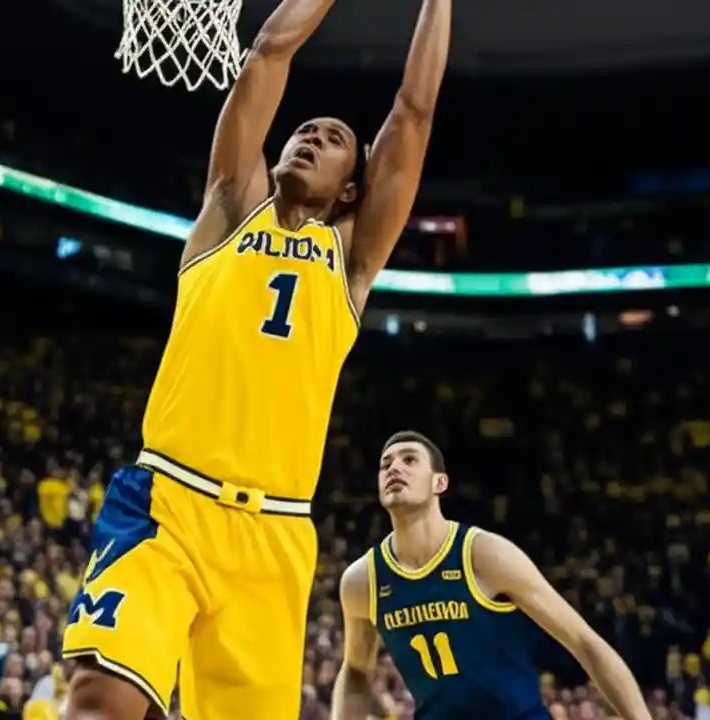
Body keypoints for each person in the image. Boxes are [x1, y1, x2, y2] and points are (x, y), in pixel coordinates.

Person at [59, 0, 453, 714]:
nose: (308, 138)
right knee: (98, 700)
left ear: (353, 188)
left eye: (331, 139)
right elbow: (269, 50)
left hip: (274, 536)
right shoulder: (228, 210)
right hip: (167, 504)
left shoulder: (350, 264)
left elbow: (414, 112)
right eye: (302, 130)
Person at [331, 431, 653, 720]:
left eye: (409, 460)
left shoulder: (485, 555)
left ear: (439, 483)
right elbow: (357, 669)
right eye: (385, 464)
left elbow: (584, 642)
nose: (394, 468)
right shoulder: (363, 580)